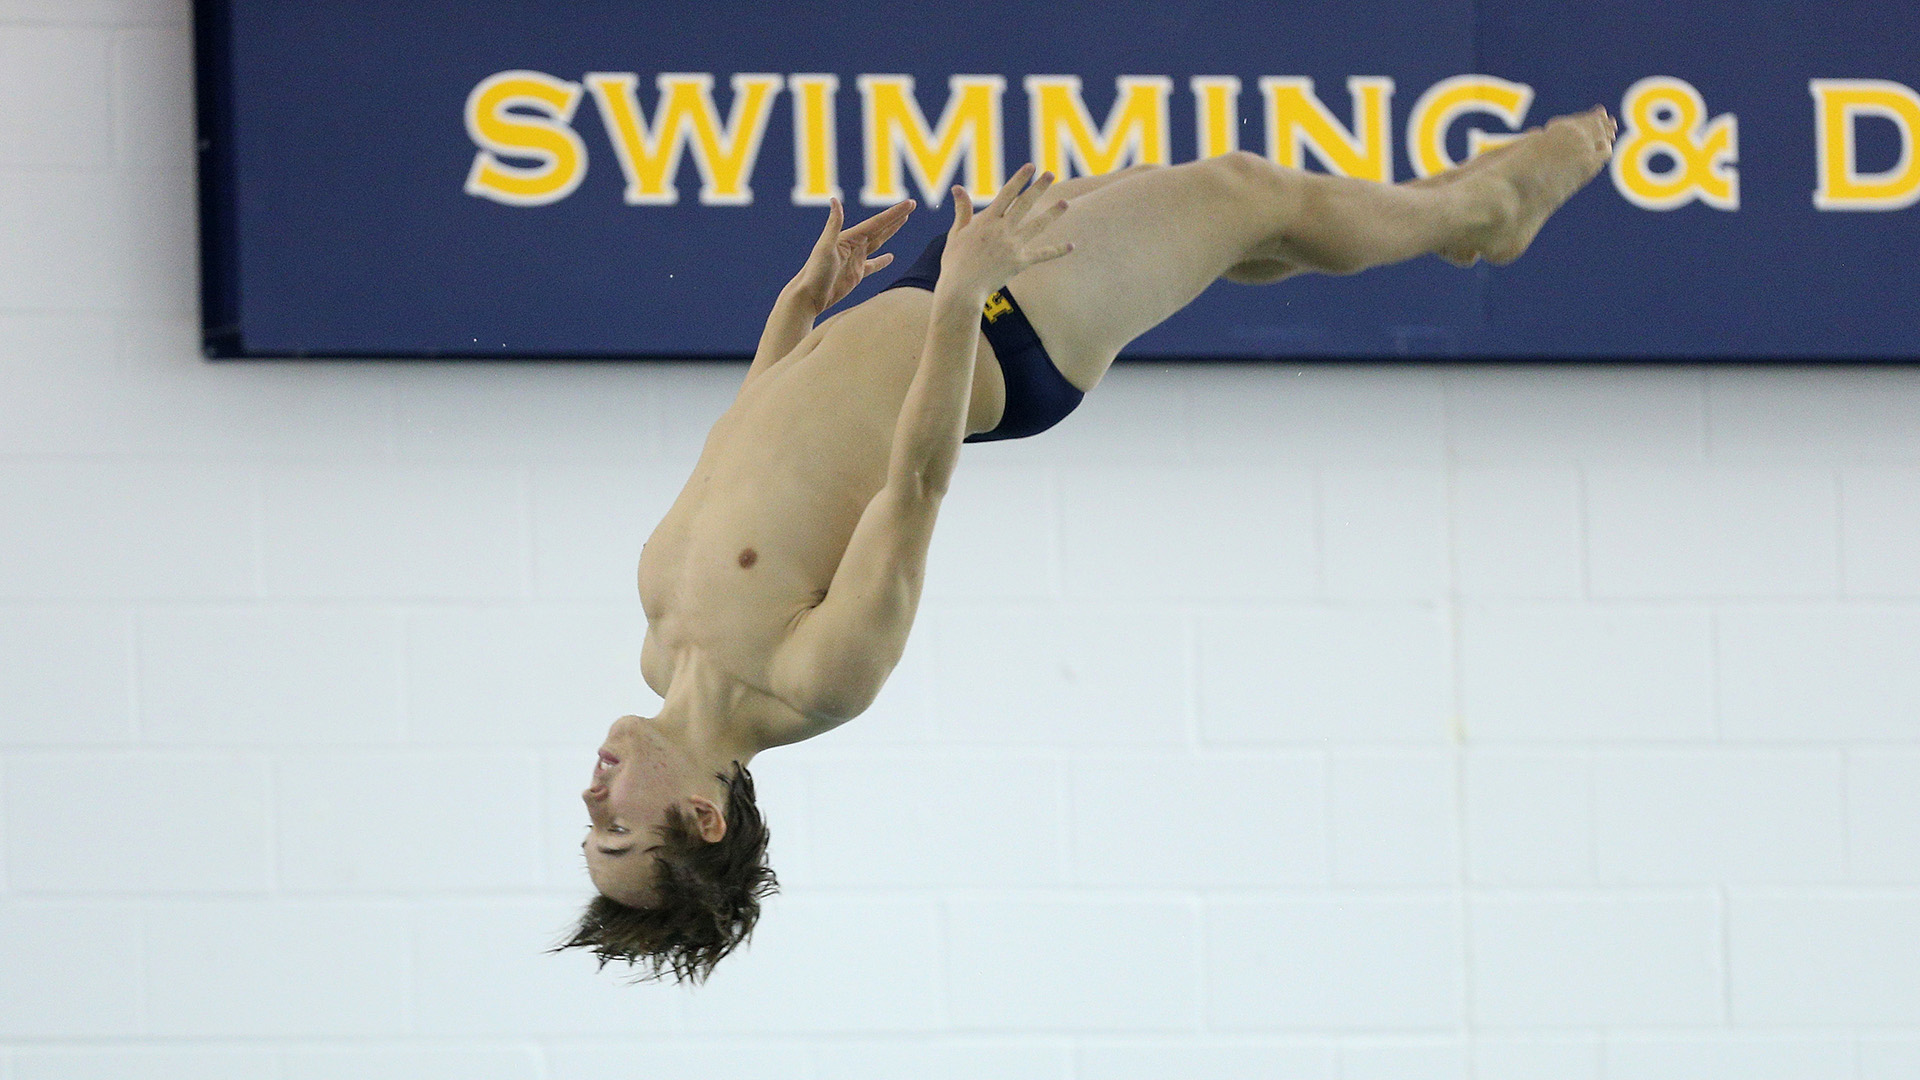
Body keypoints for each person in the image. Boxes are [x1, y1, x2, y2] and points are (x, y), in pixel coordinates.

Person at [555, 107, 1619, 982]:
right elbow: (916, 483)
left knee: (1222, 221)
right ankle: (1482, 212)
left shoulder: (661, 648)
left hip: (930, 301)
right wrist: (963, 299)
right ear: (702, 817)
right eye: (616, 831)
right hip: (1004, 334)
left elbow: (746, 448)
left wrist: (796, 315)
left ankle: (1449, 212)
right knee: (1241, 191)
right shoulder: (812, 682)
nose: (594, 800)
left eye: (591, 828)